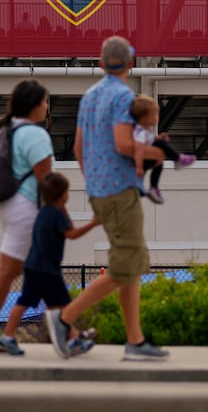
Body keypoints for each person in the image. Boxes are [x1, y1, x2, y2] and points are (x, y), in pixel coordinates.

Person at [45, 36, 170, 361]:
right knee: (123, 265)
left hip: (100, 190)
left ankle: (135, 340)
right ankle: (65, 318)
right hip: (120, 191)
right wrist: (162, 153)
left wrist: (94, 181)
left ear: (101, 64)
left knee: (131, 264)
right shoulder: (123, 96)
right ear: (131, 63)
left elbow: (78, 148)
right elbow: (124, 144)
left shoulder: (89, 97)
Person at [0, 80, 54, 353]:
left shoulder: (3, 132)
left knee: (20, 271)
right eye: (45, 102)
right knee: (15, 272)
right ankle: (69, 332)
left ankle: (68, 330)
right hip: (28, 209)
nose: (46, 107)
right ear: (33, 104)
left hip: (9, 208)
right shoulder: (36, 135)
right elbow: (46, 182)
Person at [0, 172, 100, 356]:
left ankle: (8, 336)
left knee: (29, 303)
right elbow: (72, 234)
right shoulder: (56, 215)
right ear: (63, 194)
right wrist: (93, 224)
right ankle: (74, 340)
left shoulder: (43, 213)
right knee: (63, 306)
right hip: (48, 270)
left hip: (33, 266)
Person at [129, 94, 195, 205]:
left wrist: (158, 138)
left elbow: (148, 139)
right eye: (155, 114)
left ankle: (148, 187)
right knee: (160, 147)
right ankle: (178, 159)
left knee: (159, 157)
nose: (157, 117)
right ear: (145, 116)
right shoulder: (137, 129)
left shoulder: (141, 129)